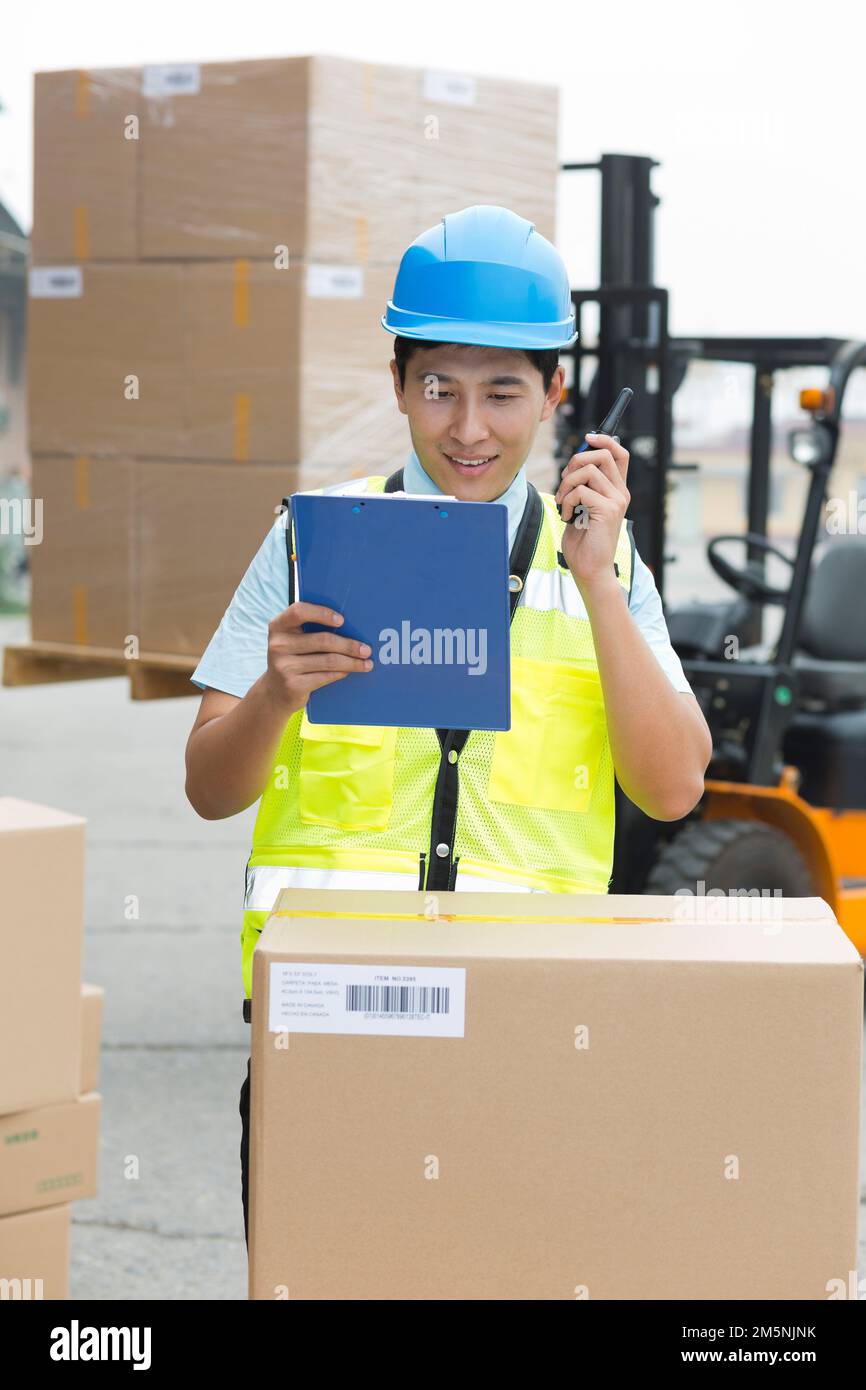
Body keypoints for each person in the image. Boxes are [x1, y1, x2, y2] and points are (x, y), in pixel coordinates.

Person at [184, 205, 713, 1248]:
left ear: (555, 395)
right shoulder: (307, 543)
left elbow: (671, 791)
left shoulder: (602, 565)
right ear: (398, 386)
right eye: (439, 388)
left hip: (524, 1025)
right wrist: (273, 695)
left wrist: (600, 581)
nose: (468, 428)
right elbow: (209, 786)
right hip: (327, 1017)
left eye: (502, 392)